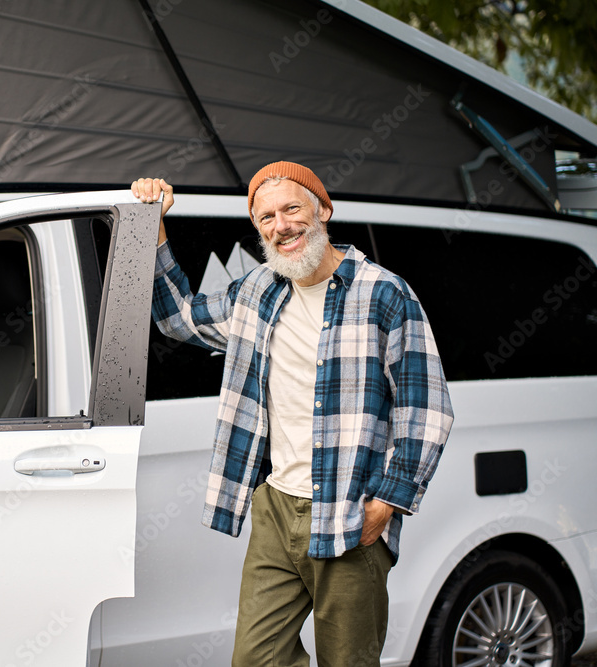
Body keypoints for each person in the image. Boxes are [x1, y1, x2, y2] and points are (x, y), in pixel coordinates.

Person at [131, 162, 454, 667]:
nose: (280, 225)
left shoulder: (384, 294)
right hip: (277, 510)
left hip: (350, 514)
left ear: (323, 210)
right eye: (265, 218)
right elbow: (180, 319)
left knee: (348, 661)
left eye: (291, 209)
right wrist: (153, 228)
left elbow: (427, 408)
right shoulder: (258, 290)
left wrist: (387, 503)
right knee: (256, 659)